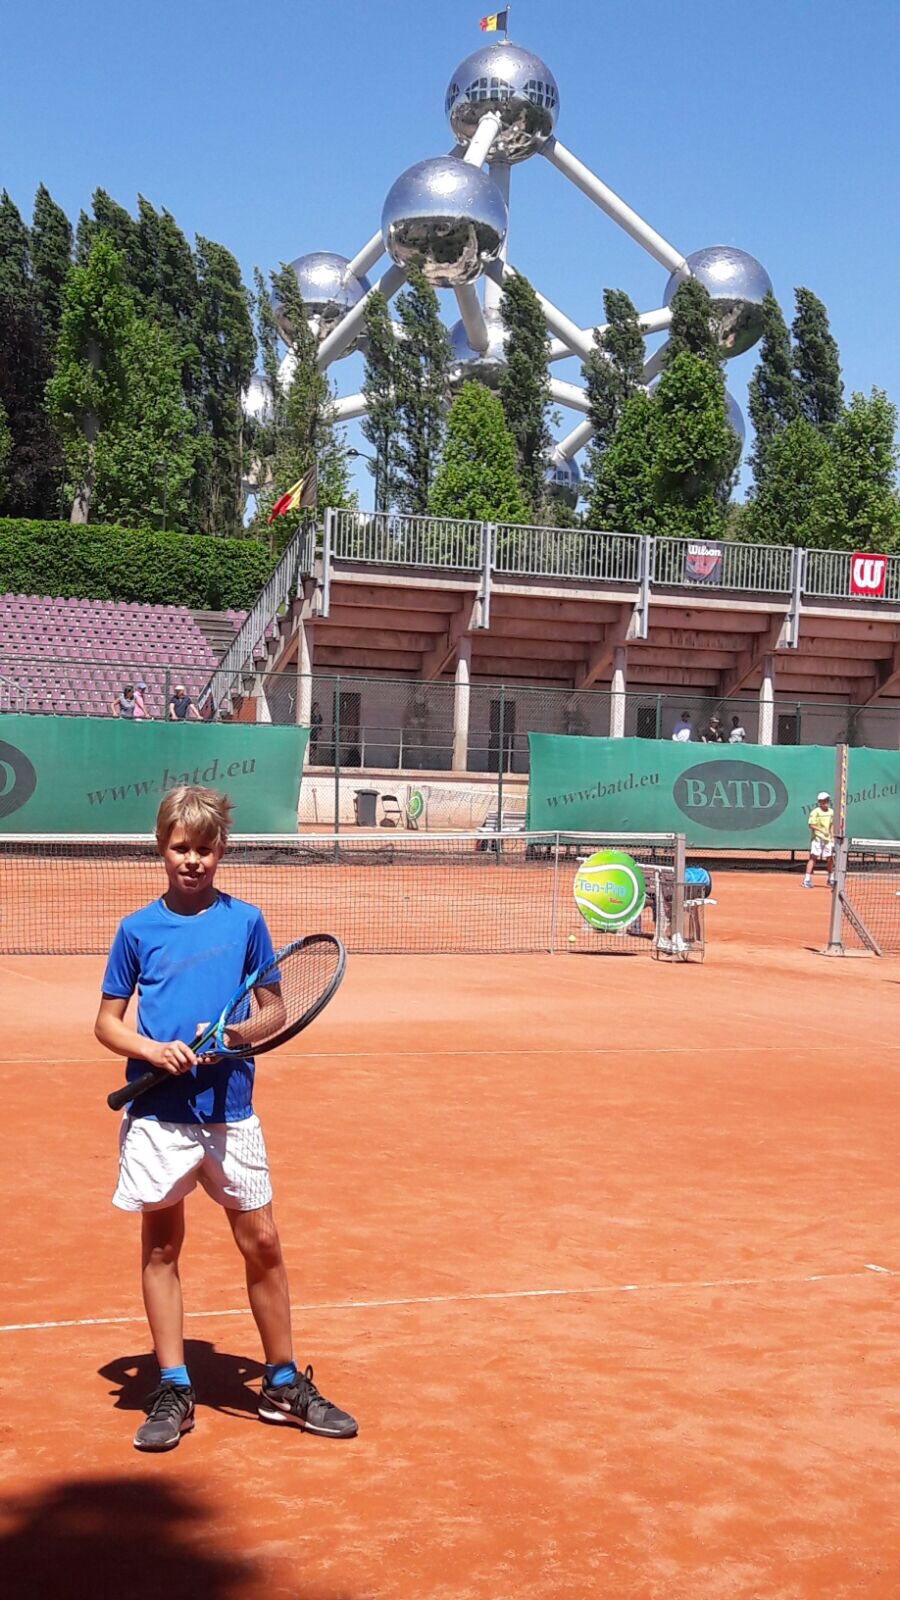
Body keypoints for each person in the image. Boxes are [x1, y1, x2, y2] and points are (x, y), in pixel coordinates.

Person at [94, 785, 358, 1451]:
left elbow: (273, 1011)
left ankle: (281, 1382)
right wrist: (152, 1049)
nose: (192, 860)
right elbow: (107, 1024)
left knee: (262, 1241)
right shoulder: (136, 930)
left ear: (222, 851)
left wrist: (233, 1037)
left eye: (204, 849)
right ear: (161, 848)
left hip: (229, 1113)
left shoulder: (246, 923)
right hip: (159, 1116)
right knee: (161, 1246)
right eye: (180, 848)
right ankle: (174, 1385)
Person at [803, 790, 835, 888]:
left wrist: (832, 836)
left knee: (830, 858)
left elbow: (831, 825)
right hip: (817, 838)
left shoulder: (831, 812)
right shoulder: (815, 812)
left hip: (828, 839)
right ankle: (807, 880)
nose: (826, 802)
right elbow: (811, 825)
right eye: (824, 800)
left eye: (827, 800)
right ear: (819, 802)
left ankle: (831, 879)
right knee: (813, 858)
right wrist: (821, 830)